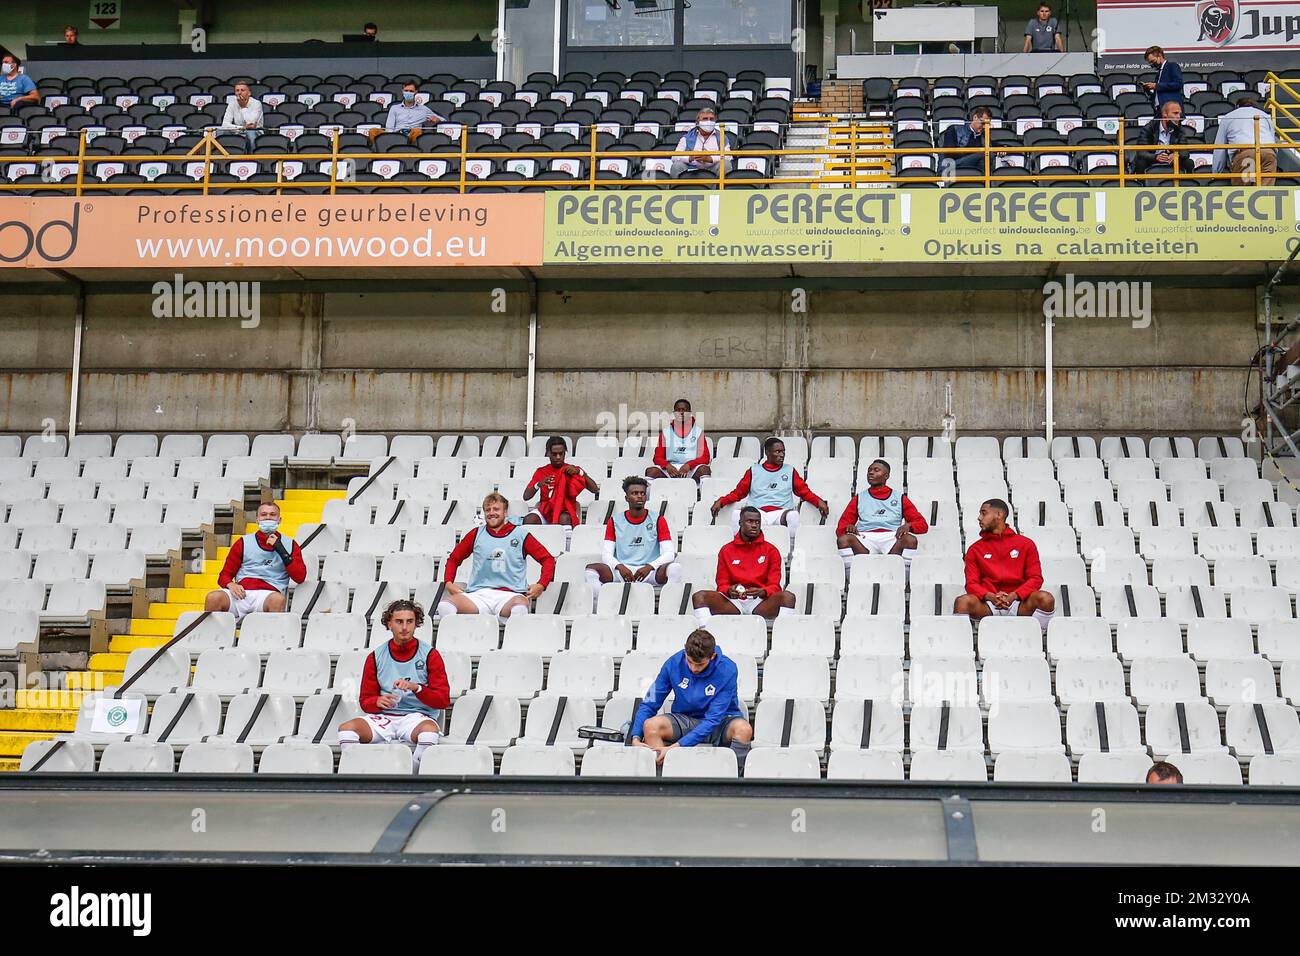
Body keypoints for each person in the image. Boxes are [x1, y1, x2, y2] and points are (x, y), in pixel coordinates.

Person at [338, 599, 449, 765]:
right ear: (389, 623)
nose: (404, 627)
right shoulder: (376, 656)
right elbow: (365, 701)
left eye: (409, 621)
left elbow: (442, 700)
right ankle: (361, 774)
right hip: (384, 718)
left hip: (417, 717)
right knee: (346, 730)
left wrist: (417, 688)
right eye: (399, 622)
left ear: (416, 624)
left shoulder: (430, 655)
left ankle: (410, 778)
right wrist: (377, 701)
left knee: (429, 733)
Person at [629, 628, 753, 772]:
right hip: (685, 719)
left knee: (744, 729)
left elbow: (713, 719)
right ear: (685, 652)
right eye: (689, 662)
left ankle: (733, 780)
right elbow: (650, 702)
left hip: (721, 722)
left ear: (712, 656)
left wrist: (677, 746)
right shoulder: (673, 663)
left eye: (700, 664)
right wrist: (636, 737)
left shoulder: (728, 669)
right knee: (650, 725)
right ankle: (664, 782)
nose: (693, 668)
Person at [438, 492, 555, 621]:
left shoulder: (521, 535)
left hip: (511, 595)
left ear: (505, 513)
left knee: (519, 608)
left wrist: (541, 585)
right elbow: (454, 559)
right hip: (478, 595)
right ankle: (459, 640)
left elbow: (548, 559)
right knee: (444, 606)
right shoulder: (476, 534)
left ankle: (511, 641)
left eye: (496, 509)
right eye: (487, 510)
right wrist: (448, 582)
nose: (491, 513)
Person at [954, 498, 1055, 633]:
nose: (979, 518)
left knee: (1046, 599)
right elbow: (971, 584)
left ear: (999, 515)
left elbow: (1036, 578)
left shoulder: (1026, 544)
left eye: (984, 513)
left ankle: (1037, 637)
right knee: (962, 602)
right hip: (988, 604)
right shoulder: (975, 549)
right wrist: (991, 596)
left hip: (1018, 602)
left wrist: (1013, 596)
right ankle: (961, 645)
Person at [710, 436, 827, 544]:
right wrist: (721, 501)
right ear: (767, 453)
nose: (782, 455)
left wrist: (818, 502)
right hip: (757, 513)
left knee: (794, 516)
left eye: (783, 452)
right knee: (737, 514)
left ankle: (791, 550)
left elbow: (804, 492)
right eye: (778, 452)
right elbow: (738, 493)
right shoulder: (754, 471)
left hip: (780, 513)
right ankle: (739, 548)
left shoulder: (790, 471)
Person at [585, 477, 682, 606]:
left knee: (675, 568)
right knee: (591, 570)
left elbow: (669, 553)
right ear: (626, 498)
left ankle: (670, 609)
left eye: (642, 493)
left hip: (649, 572)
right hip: (623, 572)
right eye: (635, 493)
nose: (640, 496)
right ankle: (600, 608)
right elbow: (606, 554)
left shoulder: (658, 519)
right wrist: (620, 567)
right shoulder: (615, 521)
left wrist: (650, 566)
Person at [204, 501, 307, 621]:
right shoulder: (243, 542)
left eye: (272, 514)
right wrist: (231, 584)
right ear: (257, 519)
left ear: (279, 520)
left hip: (268, 594)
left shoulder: (291, 545)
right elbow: (224, 575)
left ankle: (270, 639)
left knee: (278, 600)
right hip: (241, 593)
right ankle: (212, 638)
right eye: (264, 514)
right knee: (213, 597)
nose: (268, 517)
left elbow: (300, 577)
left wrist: (281, 549)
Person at [692, 506, 795, 624]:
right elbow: (722, 583)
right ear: (740, 523)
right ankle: (705, 635)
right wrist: (729, 590)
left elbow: (775, 585)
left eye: (757, 522)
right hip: (733, 601)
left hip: (760, 602)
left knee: (788, 597)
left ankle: (782, 634)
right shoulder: (726, 550)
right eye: (750, 521)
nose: (754, 525)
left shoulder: (771, 550)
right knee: (699, 597)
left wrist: (763, 591)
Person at [835, 458, 928, 570]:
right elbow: (840, 528)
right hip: (865, 538)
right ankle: (849, 578)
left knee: (910, 540)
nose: (871, 472)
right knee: (843, 540)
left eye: (876, 470)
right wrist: (848, 528)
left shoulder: (899, 498)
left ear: (886, 476)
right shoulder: (859, 498)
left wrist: (908, 526)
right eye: (869, 470)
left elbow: (923, 525)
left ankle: (906, 578)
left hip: (892, 538)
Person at [522, 436, 598, 526]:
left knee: (564, 518)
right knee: (529, 519)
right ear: (548, 453)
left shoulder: (573, 469)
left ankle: (567, 540)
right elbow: (526, 496)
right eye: (554, 454)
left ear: (565, 453)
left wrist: (580, 473)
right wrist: (538, 484)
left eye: (561, 453)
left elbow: (595, 489)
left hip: (566, 509)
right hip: (546, 510)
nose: (558, 457)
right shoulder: (541, 471)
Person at [1213, 95, 1277, 185]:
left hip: (1245, 153)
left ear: (1237, 106)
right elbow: (1273, 139)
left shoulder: (1229, 116)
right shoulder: (1265, 115)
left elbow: (1219, 147)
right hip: (1268, 152)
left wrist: (1216, 173)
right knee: (1265, 193)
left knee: (1244, 194)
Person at [646, 398, 711, 481]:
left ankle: (701, 493)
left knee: (704, 470)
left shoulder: (698, 432)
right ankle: (653, 493)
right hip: (671, 468)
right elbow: (657, 457)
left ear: (690, 413)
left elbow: (705, 457)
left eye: (684, 410)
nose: (681, 412)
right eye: (678, 410)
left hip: (691, 469)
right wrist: (667, 466)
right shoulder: (666, 432)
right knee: (651, 471)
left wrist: (689, 465)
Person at [1129, 101, 1189, 177]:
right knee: (1140, 162)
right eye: (1175, 113)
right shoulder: (1149, 128)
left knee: (1188, 163)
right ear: (1165, 114)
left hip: (1171, 160)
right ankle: (1142, 186)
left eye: (1179, 114)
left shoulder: (1180, 129)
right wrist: (1155, 157)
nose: (1178, 117)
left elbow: (1185, 151)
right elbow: (1141, 152)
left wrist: (1177, 155)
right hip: (1152, 159)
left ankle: (1186, 185)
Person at [671, 107, 733, 177]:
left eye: (711, 119)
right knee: (677, 165)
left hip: (713, 169)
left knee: (726, 164)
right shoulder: (687, 137)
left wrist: (711, 159)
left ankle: (720, 187)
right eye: (705, 119)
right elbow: (674, 157)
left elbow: (728, 157)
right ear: (698, 122)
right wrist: (689, 158)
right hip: (691, 170)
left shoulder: (722, 137)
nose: (709, 122)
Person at [941, 106, 993, 174]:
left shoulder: (983, 135)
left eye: (987, 124)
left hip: (971, 165)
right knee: (986, 153)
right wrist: (975, 154)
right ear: (975, 117)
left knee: (986, 155)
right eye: (982, 123)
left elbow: (994, 145)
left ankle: (983, 182)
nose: (984, 126)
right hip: (951, 164)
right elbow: (949, 153)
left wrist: (1004, 148)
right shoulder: (954, 129)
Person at [220, 81, 263, 147]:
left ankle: (252, 156)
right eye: (237, 90)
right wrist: (242, 128)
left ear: (249, 93)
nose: (239, 93)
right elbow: (225, 125)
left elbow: (250, 124)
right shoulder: (232, 103)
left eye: (242, 90)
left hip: (255, 132)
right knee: (221, 132)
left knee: (250, 133)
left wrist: (243, 107)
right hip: (237, 132)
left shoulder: (256, 103)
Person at [1143, 45, 1184, 110]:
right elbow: (1157, 95)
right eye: (1150, 63)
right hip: (1159, 110)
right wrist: (1147, 89)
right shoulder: (1159, 73)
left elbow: (1178, 84)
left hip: (1171, 110)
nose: (1152, 64)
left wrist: (1157, 86)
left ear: (1159, 56)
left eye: (1152, 61)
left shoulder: (1172, 66)